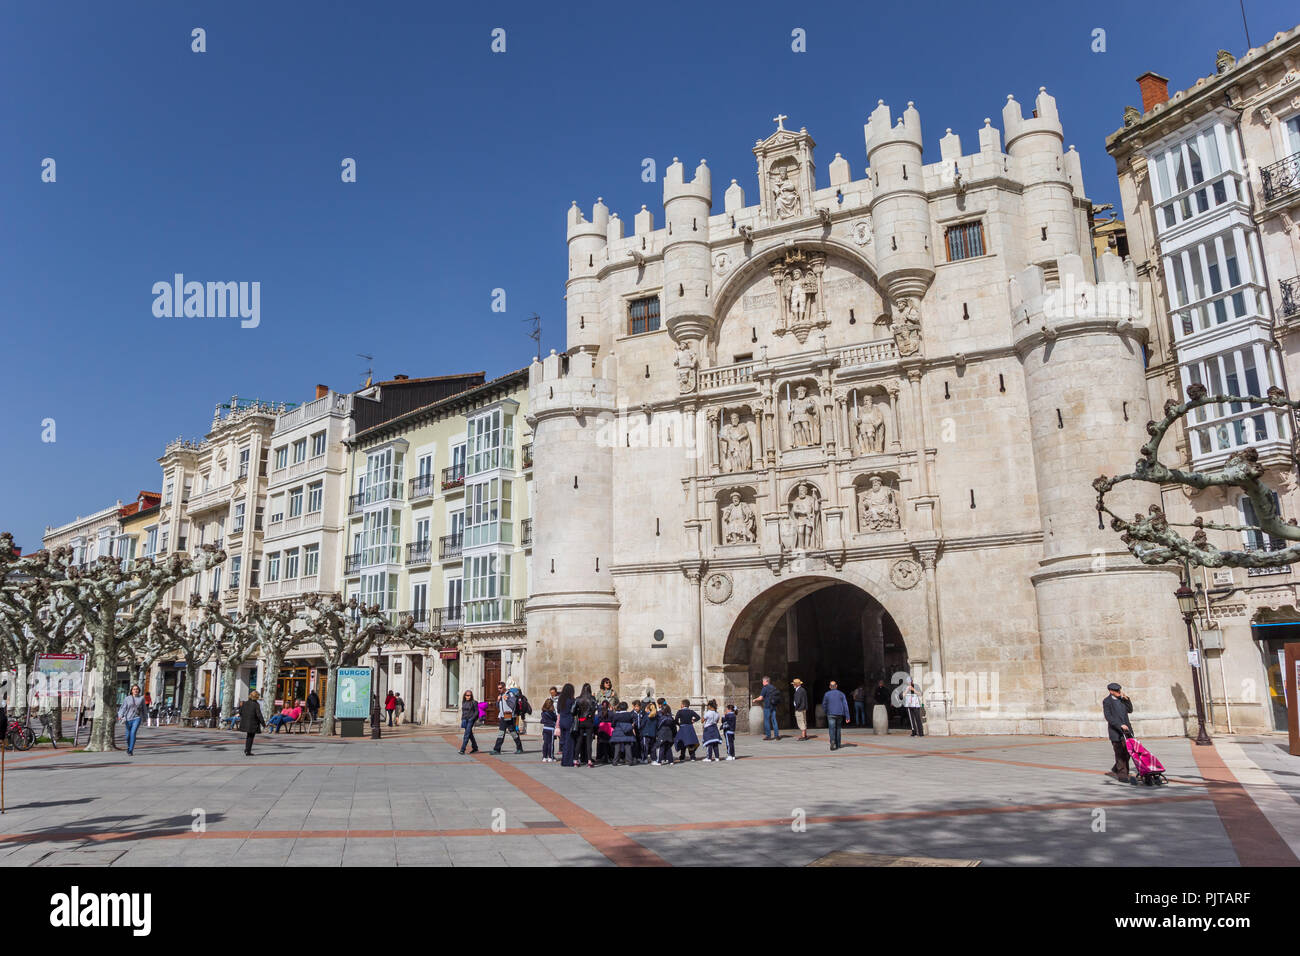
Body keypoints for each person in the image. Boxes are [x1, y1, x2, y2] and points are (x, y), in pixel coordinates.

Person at [1103, 682, 1134, 781]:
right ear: (1111, 691)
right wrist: (1120, 725)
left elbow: (1130, 710)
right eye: (1116, 691)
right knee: (1119, 753)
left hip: (1127, 731)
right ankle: (1123, 775)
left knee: (1129, 752)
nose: (1119, 692)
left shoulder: (1122, 700)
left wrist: (1127, 699)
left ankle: (1117, 768)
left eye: (1119, 690)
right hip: (1115, 731)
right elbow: (1109, 717)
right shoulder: (1106, 701)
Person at [491, 681, 523, 755]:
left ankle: (519, 748)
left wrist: (507, 699)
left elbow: (513, 704)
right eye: (498, 688)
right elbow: (498, 706)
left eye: (500, 688)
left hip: (510, 716)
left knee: (512, 733)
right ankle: (497, 749)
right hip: (503, 717)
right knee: (502, 733)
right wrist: (498, 700)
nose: (499, 690)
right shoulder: (501, 695)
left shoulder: (510, 694)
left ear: (504, 687)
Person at [572, 683, 598, 768]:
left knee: (579, 741)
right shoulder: (592, 698)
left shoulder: (578, 699)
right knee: (588, 742)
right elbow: (595, 707)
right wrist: (590, 713)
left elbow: (572, 710)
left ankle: (576, 760)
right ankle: (589, 760)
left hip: (581, 721)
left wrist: (578, 712)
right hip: (589, 721)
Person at [117, 684, 147, 757]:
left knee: (133, 733)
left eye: (137, 689)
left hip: (137, 718)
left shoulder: (142, 698)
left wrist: (145, 718)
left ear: (139, 690)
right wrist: (120, 715)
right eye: (134, 689)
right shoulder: (127, 698)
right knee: (127, 736)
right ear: (131, 691)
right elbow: (123, 708)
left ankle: (130, 750)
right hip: (128, 718)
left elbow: (144, 709)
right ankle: (128, 747)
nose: (135, 690)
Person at [822, 680, 850, 751]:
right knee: (838, 729)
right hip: (839, 714)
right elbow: (845, 705)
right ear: (836, 686)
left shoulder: (827, 694)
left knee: (831, 729)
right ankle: (838, 744)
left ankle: (832, 741)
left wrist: (826, 711)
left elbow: (824, 705)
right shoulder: (841, 694)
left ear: (830, 687)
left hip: (830, 714)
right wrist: (847, 716)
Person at [752, 676, 781, 740]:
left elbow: (761, 698)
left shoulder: (765, 688)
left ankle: (768, 736)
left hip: (767, 706)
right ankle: (777, 736)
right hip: (773, 706)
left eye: (763, 681)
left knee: (767, 721)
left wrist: (755, 700)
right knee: (774, 720)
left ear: (766, 681)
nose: (762, 682)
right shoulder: (773, 687)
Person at [238, 691, 265, 756]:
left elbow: (240, 712)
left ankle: (247, 749)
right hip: (253, 723)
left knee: (248, 736)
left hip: (246, 722)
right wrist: (263, 723)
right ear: (256, 697)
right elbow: (259, 715)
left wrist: (245, 717)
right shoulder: (256, 704)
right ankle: (248, 750)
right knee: (250, 737)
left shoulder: (245, 703)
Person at [557, 683, 577, 767]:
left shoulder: (561, 700)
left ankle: (564, 760)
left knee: (564, 742)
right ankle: (568, 761)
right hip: (569, 721)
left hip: (562, 721)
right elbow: (574, 711)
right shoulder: (571, 700)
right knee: (570, 742)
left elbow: (558, 710)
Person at [654, 699, 677, 765]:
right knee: (668, 747)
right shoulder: (670, 717)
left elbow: (657, 724)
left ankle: (659, 761)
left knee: (662, 747)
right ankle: (671, 761)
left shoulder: (660, 716)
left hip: (662, 733)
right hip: (669, 733)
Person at [459, 690, 480, 755]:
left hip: (470, 720)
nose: (468, 697)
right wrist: (462, 719)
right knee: (470, 734)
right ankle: (475, 747)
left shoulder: (474, 702)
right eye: (467, 695)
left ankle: (462, 749)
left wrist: (472, 719)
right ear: (464, 696)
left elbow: (477, 712)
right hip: (465, 720)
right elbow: (463, 712)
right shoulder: (464, 702)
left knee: (466, 734)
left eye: (469, 695)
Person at [640, 701, 660, 766]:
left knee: (645, 747)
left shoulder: (646, 716)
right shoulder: (656, 716)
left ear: (648, 709)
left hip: (646, 733)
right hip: (653, 733)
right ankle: (653, 759)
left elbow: (642, 724)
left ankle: (644, 759)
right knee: (653, 747)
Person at [540, 698, 557, 762]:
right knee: (551, 743)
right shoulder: (552, 713)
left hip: (545, 728)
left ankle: (544, 756)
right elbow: (555, 718)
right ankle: (550, 756)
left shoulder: (543, 712)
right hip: (551, 729)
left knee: (545, 743)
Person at [596, 699, 613, 764]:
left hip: (602, 727)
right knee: (609, 743)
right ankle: (610, 756)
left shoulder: (600, 713)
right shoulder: (611, 713)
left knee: (601, 743)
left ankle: (600, 756)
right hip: (609, 728)